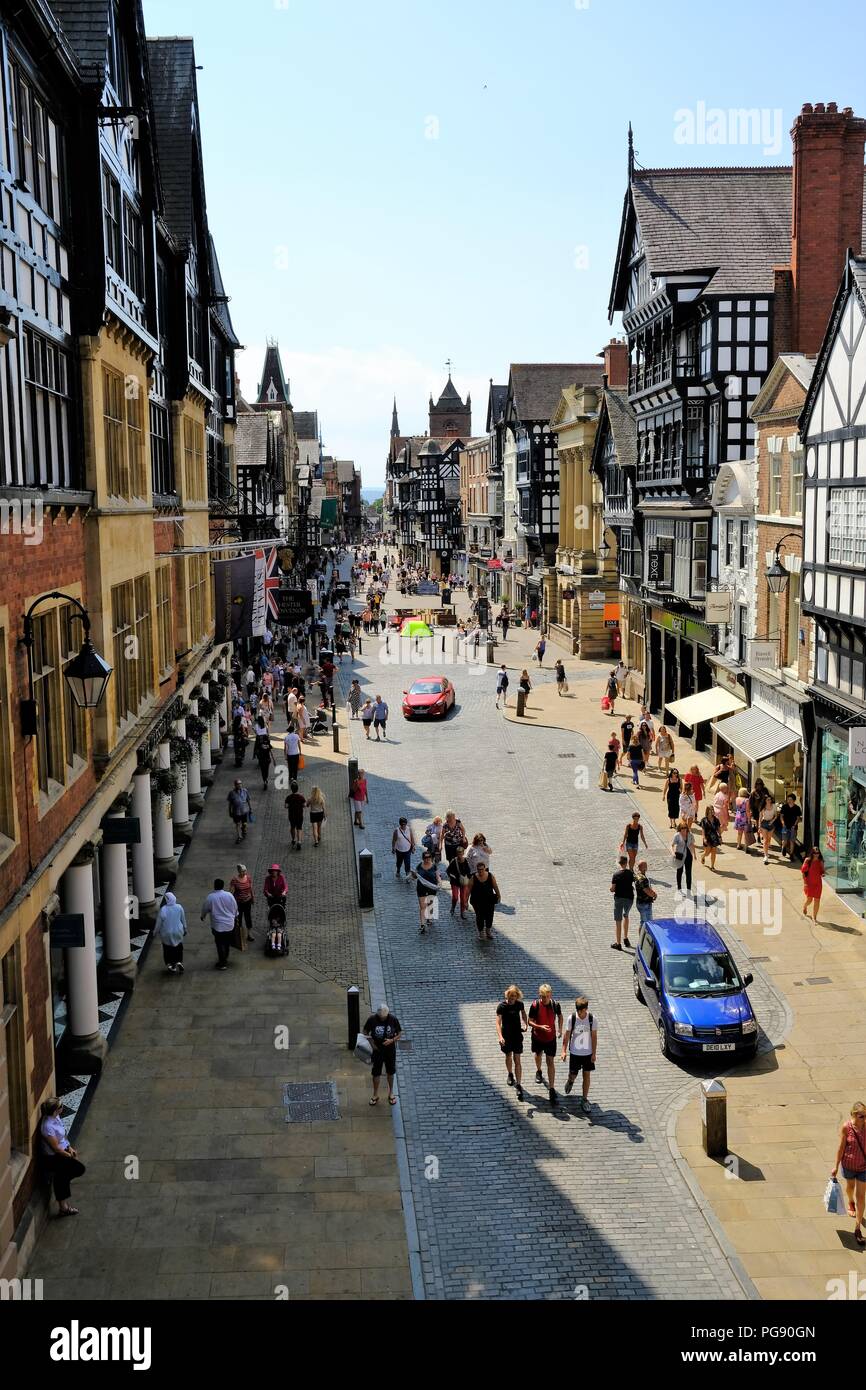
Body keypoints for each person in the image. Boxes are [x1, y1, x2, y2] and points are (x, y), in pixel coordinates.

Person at [40, 1097, 85, 1216]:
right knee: (70, 1173)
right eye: (61, 1106)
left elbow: (63, 1136)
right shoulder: (47, 1127)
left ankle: (61, 1185)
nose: (63, 1107)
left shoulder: (56, 1117)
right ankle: (63, 1208)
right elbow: (55, 1148)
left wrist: (70, 1147)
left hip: (63, 1151)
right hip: (53, 1158)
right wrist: (69, 1155)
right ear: (56, 1110)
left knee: (72, 1172)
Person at [831, 1101, 866, 1247]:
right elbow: (841, 1148)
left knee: (861, 1196)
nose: (864, 1119)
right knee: (850, 1188)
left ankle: (857, 1228)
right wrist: (836, 1167)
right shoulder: (847, 1127)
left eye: (865, 1116)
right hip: (849, 1165)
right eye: (861, 1116)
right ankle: (850, 1201)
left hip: (864, 1167)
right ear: (853, 1115)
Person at [527, 983, 562, 1104]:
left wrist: (559, 1029)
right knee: (538, 1055)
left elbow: (560, 1016)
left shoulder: (555, 1004)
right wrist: (540, 1027)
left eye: (547, 996)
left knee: (550, 1062)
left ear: (550, 994)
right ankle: (539, 1071)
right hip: (538, 1037)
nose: (544, 998)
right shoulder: (535, 1005)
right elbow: (529, 1022)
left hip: (551, 1038)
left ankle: (551, 1089)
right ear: (539, 995)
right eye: (542, 996)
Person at [561, 998, 597, 1112]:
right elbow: (566, 1035)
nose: (578, 1012)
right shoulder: (572, 1018)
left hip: (587, 1053)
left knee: (586, 1075)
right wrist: (563, 1050)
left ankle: (584, 1099)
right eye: (577, 1010)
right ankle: (570, 1080)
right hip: (575, 1053)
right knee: (573, 1074)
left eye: (580, 1010)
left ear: (585, 1009)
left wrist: (594, 1053)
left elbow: (594, 1037)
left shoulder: (592, 1019)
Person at [363, 1004, 402, 1106]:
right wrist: (372, 1043)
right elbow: (365, 1031)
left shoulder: (393, 1019)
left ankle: (391, 1093)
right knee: (376, 1072)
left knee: (390, 1071)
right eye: (381, 1017)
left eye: (384, 1017)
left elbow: (399, 1033)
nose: (382, 1018)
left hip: (390, 1050)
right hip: (377, 1051)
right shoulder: (372, 1019)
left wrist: (391, 1040)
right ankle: (375, 1094)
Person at [496, 986, 528, 1098]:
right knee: (508, 1056)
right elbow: (498, 1023)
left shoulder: (519, 1004)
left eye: (514, 996)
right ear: (507, 995)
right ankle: (510, 1074)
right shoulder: (501, 1006)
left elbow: (523, 1014)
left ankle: (519, 1085)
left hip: (517, 1036)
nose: (512, 998)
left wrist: (525, 1023)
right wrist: (500, 1036)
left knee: (517, 1060)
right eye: (510, 996)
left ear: (517, 996)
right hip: (506, 1037)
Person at [201, 877, 239, 970]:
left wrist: (203, 916)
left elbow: (205, 908)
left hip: (217, 926)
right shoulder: (229, 895)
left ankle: (222, 962)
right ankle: (225, 957)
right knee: (226, 942)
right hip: (230, 925)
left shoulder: (210, 897)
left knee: (219, 943)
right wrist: (235, 916)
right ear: (223, 886)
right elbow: (235, 907)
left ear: (214, 886)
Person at [155, 890, 187, 973]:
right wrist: (185, 929)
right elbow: (183, 919)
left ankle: (172, 965)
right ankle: (179, 961)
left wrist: (155, 932)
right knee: (178, 948)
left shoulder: (163, 909)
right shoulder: (179, 907)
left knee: (168, 950)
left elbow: (158, 924)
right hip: (178, 931)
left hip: (166, 933)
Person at [411, 850, 442, 933]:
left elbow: (438, 876)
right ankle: (422, 925)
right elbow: (414, 877)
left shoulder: (434, 866)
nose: (427, 859)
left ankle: (429, 917)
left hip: (432, 887)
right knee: (422, 907)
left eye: (429, 857)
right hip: (421, 887)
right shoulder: (419, 866)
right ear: (423, 858)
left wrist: (439, 882)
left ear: (431, 858)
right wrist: (413, 874)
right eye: (425, 857)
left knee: (430, 904)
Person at [469, 860, 500, 940]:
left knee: (490, 916)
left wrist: (498, 895)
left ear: (485, 869)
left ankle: (488, 931)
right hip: (477, 901)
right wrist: (465, 901)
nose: (480, 871)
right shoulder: (473, 878)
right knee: (479, 917)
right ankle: (481, 932)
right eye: (479, 870)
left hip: (489, 901)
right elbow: (468, 890)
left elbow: (495, 886)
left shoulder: (490, 876)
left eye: (482, 869)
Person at [610, 854, 635, 950]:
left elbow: (612, 889)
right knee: (626, 916)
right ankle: (626, 938)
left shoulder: (616, 875)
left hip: (619, 899)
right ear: (627, 863)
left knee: (618, 920)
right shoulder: (630, 873)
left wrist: (610, 889)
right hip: (629, 899)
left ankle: (618, 943)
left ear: (619, 863)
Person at [229, 864, 255, 941]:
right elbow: (231, 891)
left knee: (248, 917)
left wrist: (253, 898)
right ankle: (239, 935)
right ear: (239, 871)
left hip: (247, 901)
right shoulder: (234, 880)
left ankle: (249, 934)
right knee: (238, 918)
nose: (244, 873)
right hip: (238, 903)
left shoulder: (248, 878)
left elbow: (251, 888)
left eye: (245, 871)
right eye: (242, 871)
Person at [447, 845, 473, 918]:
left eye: (461, 853)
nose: (459, 854)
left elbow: (469, 872)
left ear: (463, 853)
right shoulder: (453, 861)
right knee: (455, 897)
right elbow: (448, 871)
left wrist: (468, 879)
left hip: (463, 882)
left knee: (463, 898)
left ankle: (462, 912)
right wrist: (453, 876)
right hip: (455, 881)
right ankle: (453, 906)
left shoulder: (466, 861)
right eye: (458, 853)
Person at [671, 820, 696, 894]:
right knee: (680, 872)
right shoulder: (677, 835)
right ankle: (679, 888)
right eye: (682, 828)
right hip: (680, 855)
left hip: (688, 855)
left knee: (688, 873)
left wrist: (694, 854)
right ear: (679, 828)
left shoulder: (690, 835)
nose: (684, 829)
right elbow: (672, 845)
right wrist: (673, 853)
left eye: (685, 828)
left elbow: (692, 844)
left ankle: (689, 890)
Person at [801, 846, 825, 921]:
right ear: (812, 853)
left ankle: (815, 918)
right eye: (814, 853)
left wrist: (822, 873)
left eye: (817, 853)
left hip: (818, 883)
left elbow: (822, 871)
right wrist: (805, 883)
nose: (816, 855)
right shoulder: (807, 860)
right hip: (809, 883)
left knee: (817, 900)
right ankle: (805, 906)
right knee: (809, 900)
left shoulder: (820, 861)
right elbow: (803, 872)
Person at [757, 789, 778, 865]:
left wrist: (772, 821)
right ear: (765, 800)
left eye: (770, 799)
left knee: (769, 840)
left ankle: (766, 852)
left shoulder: (774, 806)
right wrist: (759, 827)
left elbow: (776, 815)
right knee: (765, 840)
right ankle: (765, 856)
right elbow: (760, 818)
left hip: (771, 824)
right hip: (764, 824)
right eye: (768, 799)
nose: (769, 800)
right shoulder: (763, 807)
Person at [778, 792, 802, 859]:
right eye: (788, 799)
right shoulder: (784, 807)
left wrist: (795, 825)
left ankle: (791, 854)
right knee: (784, 841)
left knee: (792, 841)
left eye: (790, 799)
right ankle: (784, 847)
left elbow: (798, 818)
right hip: (785, 826)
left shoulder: (797, 808)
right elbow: (781, 816)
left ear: (794, 800)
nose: (789, 800)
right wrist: (783, 823)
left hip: (793, 827)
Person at [634, 860, 657, 926]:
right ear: (643, 868)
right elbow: (646, 890)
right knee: (648, 924)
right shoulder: (642, 878)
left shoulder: (637, 876)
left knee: (643, 922)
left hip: (640, 902)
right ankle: (644, 936)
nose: (647, 867)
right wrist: (654, 894)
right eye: (645, 866)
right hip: (644, 903)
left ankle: (641, 936)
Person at [700, 804, 722, 871]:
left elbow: (719, 829)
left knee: (714, 851)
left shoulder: (716, 820)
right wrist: (704, 838)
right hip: (707, 837)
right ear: (707, 811)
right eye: (710, 810)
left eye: (713, 810)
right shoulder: (704, 820)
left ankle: (712, 866)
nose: (712, 811)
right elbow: (703, 830)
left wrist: (720, 836)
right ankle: (703, 856)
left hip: (714, 837)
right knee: (707, 852)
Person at [285, 781, 306, 850]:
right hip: (299, 815)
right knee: (299, 828)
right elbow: (304, 805)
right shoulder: (301, 797)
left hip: (292, 815)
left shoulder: (288, 797)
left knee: (292, 827)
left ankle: (293, 839)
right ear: (297, 788)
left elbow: (286, 806)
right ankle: (299, 841)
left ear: (291, 789)